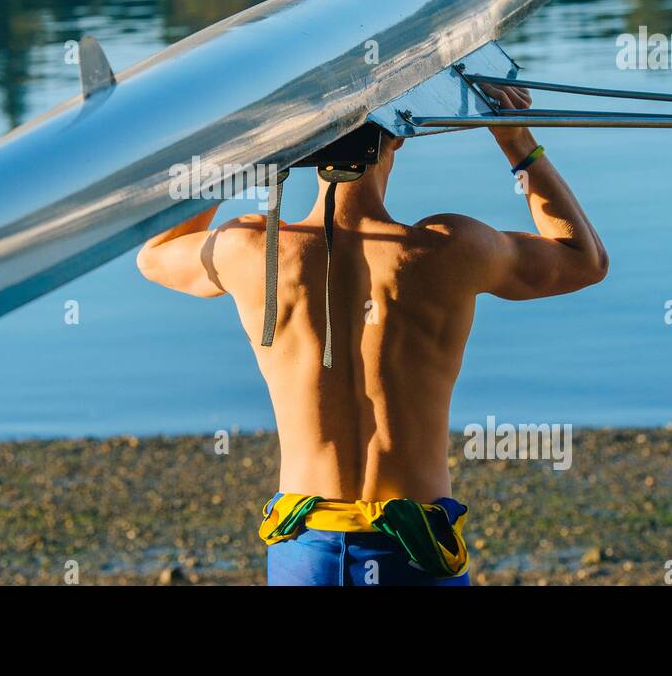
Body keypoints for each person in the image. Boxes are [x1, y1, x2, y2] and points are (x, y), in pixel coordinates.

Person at [136, 84, 609, 585]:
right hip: (413, 548)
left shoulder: (251, 248)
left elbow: (155, 256)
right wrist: (517, 142)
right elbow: (585, 260)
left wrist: (227, 153)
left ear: (303, 149)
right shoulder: (448, 250)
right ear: (398, 138)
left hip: (308, 548)